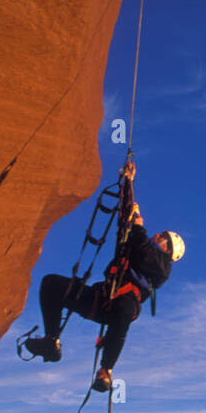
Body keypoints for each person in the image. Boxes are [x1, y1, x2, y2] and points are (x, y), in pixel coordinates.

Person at [23, 159, 183, 391]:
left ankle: (105, 370)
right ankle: (51, 340)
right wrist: (128, 181)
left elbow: (146, 254)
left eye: (163, 237)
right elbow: (125, 218)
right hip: (101, 299)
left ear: (168, 249)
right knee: (51, 284)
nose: (157, 235)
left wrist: (138, 227)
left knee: (125, 310)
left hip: (122, 306)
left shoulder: (163, 267)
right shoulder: (133, 243)